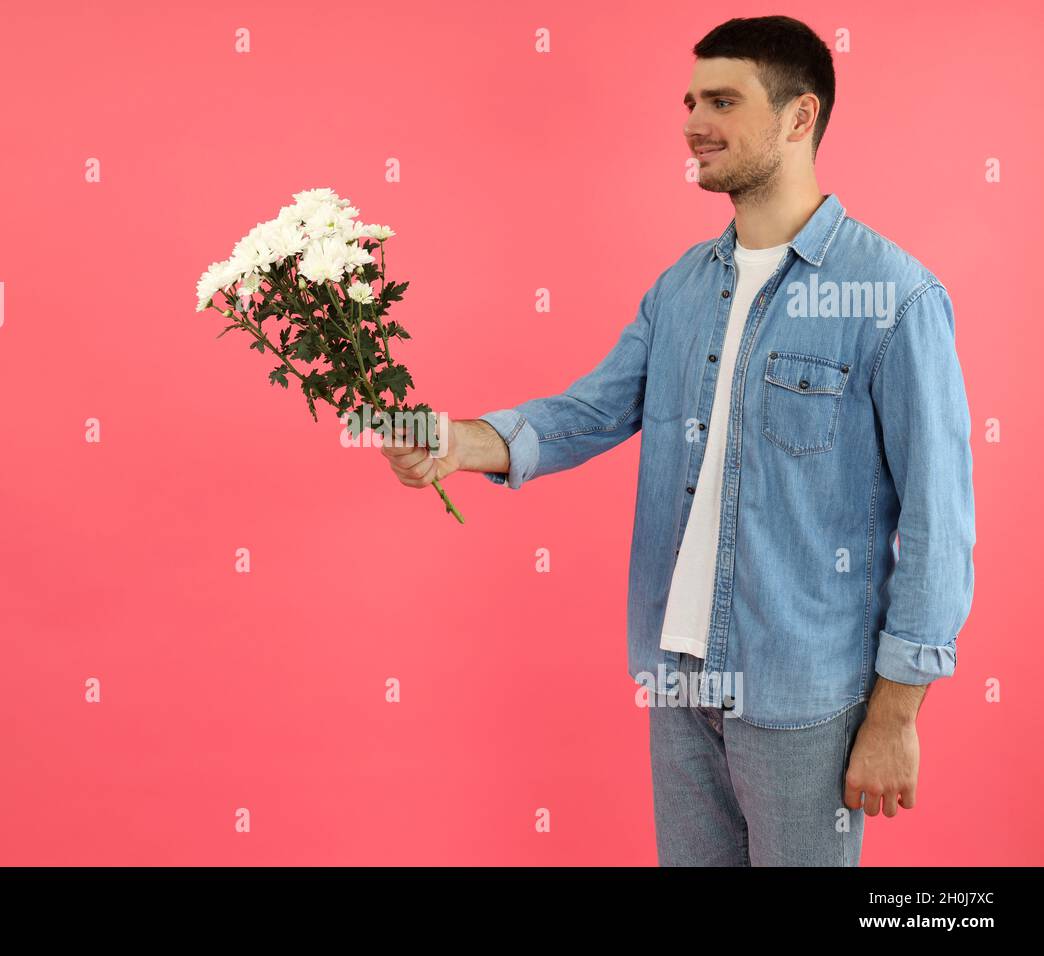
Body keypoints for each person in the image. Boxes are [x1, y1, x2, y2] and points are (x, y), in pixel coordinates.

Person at [379, 15, 975, 866]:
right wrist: (455, 441)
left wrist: (896, 715)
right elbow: (590, 412)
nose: (694, 122)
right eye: (691, 100)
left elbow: (939, 521)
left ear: (800, 117)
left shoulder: (895, 296)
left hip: (804, 693)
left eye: (722, 101)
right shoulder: (682, 287)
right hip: (678, 673)